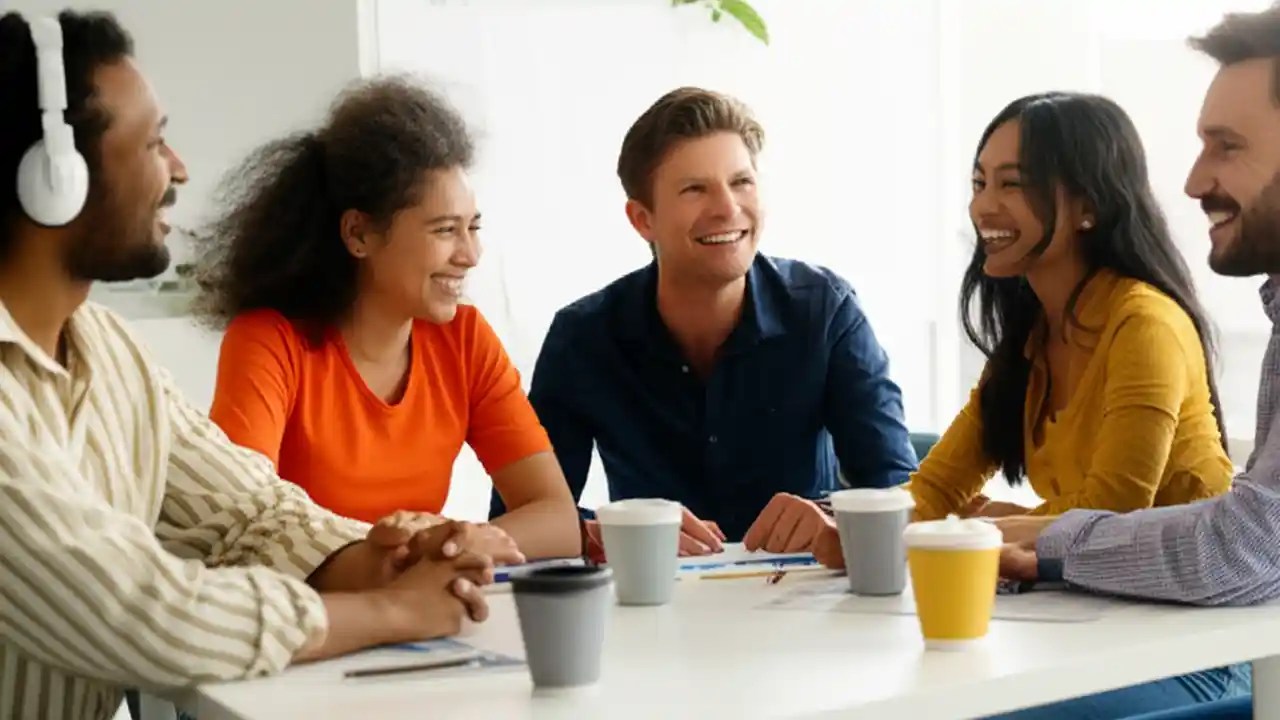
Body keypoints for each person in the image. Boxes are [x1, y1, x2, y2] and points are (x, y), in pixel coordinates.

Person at [0, 11, 510, 720]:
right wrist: (395, 609)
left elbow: (247, 516)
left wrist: (383, 557)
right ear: (53, 175)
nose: (178, 168)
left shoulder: (109, 352)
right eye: (152, 142)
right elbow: (141, 613)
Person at [770, 91, 1237, 564]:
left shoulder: (1145, 323)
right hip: (1094, 601)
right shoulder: (1031, 337)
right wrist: (846, 530)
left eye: (1011, 185)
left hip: (1190, 601)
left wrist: (1000, 525)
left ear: (1087, 206)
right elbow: (937, 488)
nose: (983, 207)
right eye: (979, 183)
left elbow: (1112, 511)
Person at [991, 5, 1280, 719]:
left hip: (1209, 654)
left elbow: (1246, 548)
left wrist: (1050, 537)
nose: (1191, 180)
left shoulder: (1143, 320)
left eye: (1227, 146)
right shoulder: (1028, 337)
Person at [492, 86, 918, 557]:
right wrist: (621, 531)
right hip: (654, 604)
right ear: (642, 220)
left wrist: (831, 518)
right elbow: (520, 518)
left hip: (799, 596)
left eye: (741, 182)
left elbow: (899, 490)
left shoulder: (825, 311)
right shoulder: (584, 337)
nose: (727, 208)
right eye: (695, 189)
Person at [195, 77, 581, 561]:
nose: (471, 254)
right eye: (445, 230)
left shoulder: (465, 339)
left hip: (421, 616)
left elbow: (557, 519)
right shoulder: (269, 341)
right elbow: (241, 524)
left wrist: (446, 543)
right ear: (358, 234)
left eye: (473, 228)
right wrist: (428, 548)